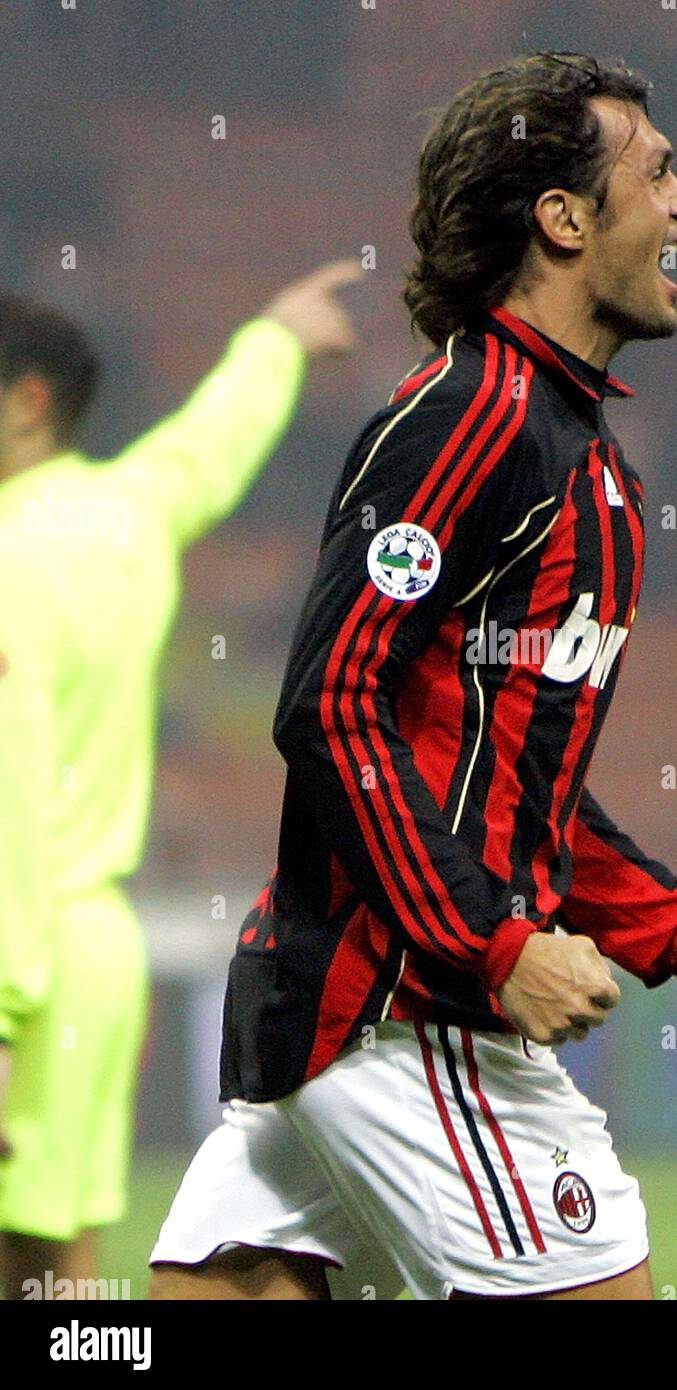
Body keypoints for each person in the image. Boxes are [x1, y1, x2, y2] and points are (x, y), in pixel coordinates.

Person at [149, 53, 677, 1303]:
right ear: (561, 219)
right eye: (655, 173)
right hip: (407, 1011)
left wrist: (673, 928)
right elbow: (327, 702)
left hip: (367, 1005)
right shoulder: (471, 415)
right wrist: (496, 945)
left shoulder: (590, 465)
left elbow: (511, 787)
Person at [0, 261, 361, 1299]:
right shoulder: (127, 511)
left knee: (30, 1263)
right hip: (91, 950)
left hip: (22, 951)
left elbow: (11, 793)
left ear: (29, 401)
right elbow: (212, 443)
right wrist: (279, 337)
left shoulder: (13, 556)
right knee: (56, 1259)